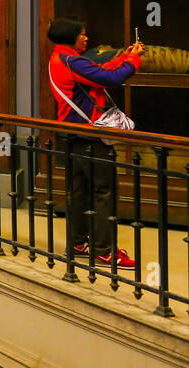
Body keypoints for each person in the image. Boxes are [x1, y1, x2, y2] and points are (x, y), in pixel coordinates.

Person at [46, 17, 142, 269]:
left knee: (78, 192)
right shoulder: (72, 61)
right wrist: (134, 60)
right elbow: (111, 79)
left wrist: (123, 57)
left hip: (70, 133)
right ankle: (104, 251)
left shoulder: (61, 58)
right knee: (103, 192)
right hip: (90, 135)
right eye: (82, 34)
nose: (86, 38)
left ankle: (78, 243)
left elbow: (101, 71)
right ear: (70, 37)